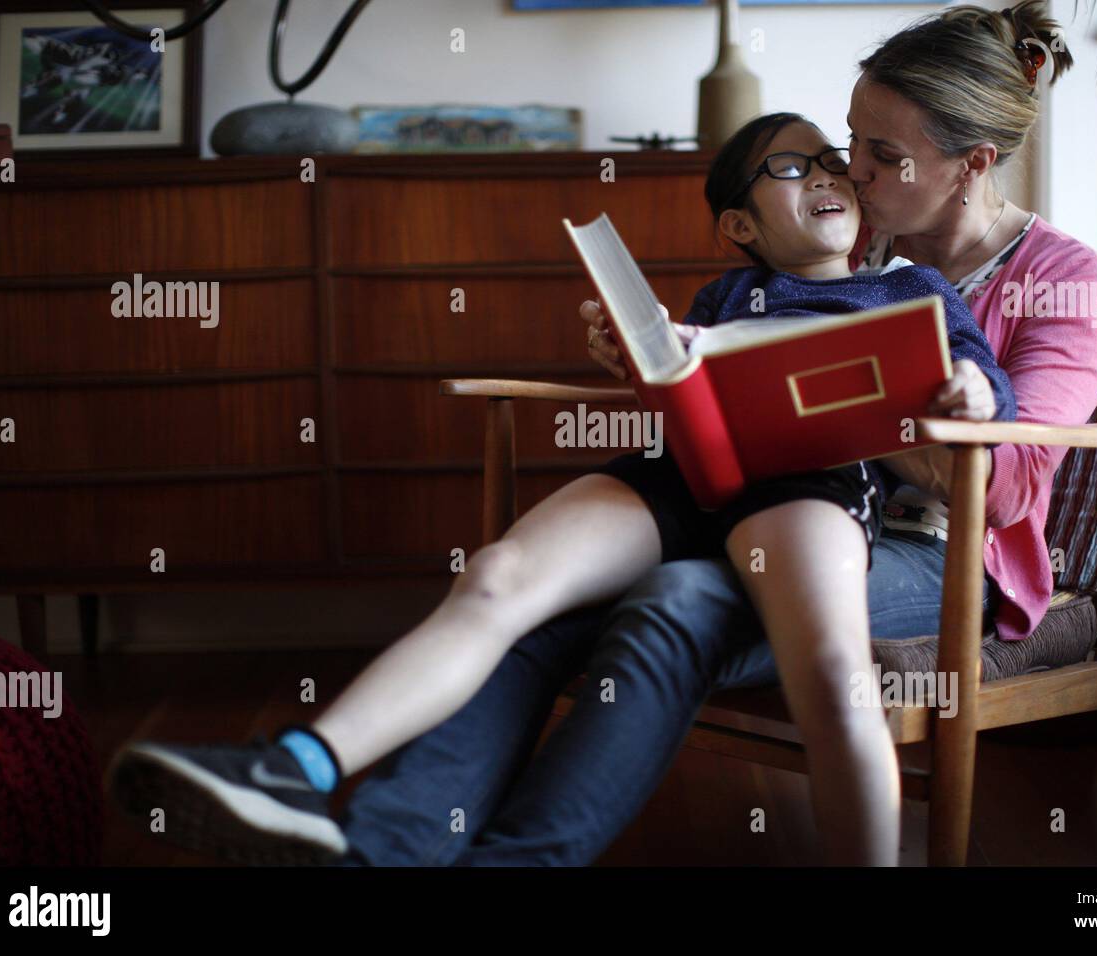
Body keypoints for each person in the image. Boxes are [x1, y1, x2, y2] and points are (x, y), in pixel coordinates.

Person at [106, 108, 1017, 867]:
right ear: (740, 225)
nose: (825, 172)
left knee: (828, 668)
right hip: (681, 481)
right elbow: (683, 405)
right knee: (499, 574)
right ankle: (295, 766)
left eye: (831, 160)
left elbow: (992, 398)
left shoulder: (915, 291)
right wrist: (646, 356)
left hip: (807, 489)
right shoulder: (722, 298)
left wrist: (970, 393)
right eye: (790, 165)